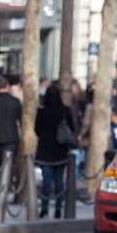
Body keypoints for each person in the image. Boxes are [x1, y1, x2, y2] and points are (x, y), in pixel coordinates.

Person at [34, 84, 75, 219]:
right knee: (59, 182)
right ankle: (58, 209)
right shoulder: (65, 111)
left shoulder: (41, 112)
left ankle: (44, 208)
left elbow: (37, 130)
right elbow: (72, 129)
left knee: (46, 182)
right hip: (60, 150)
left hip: (45, 151)